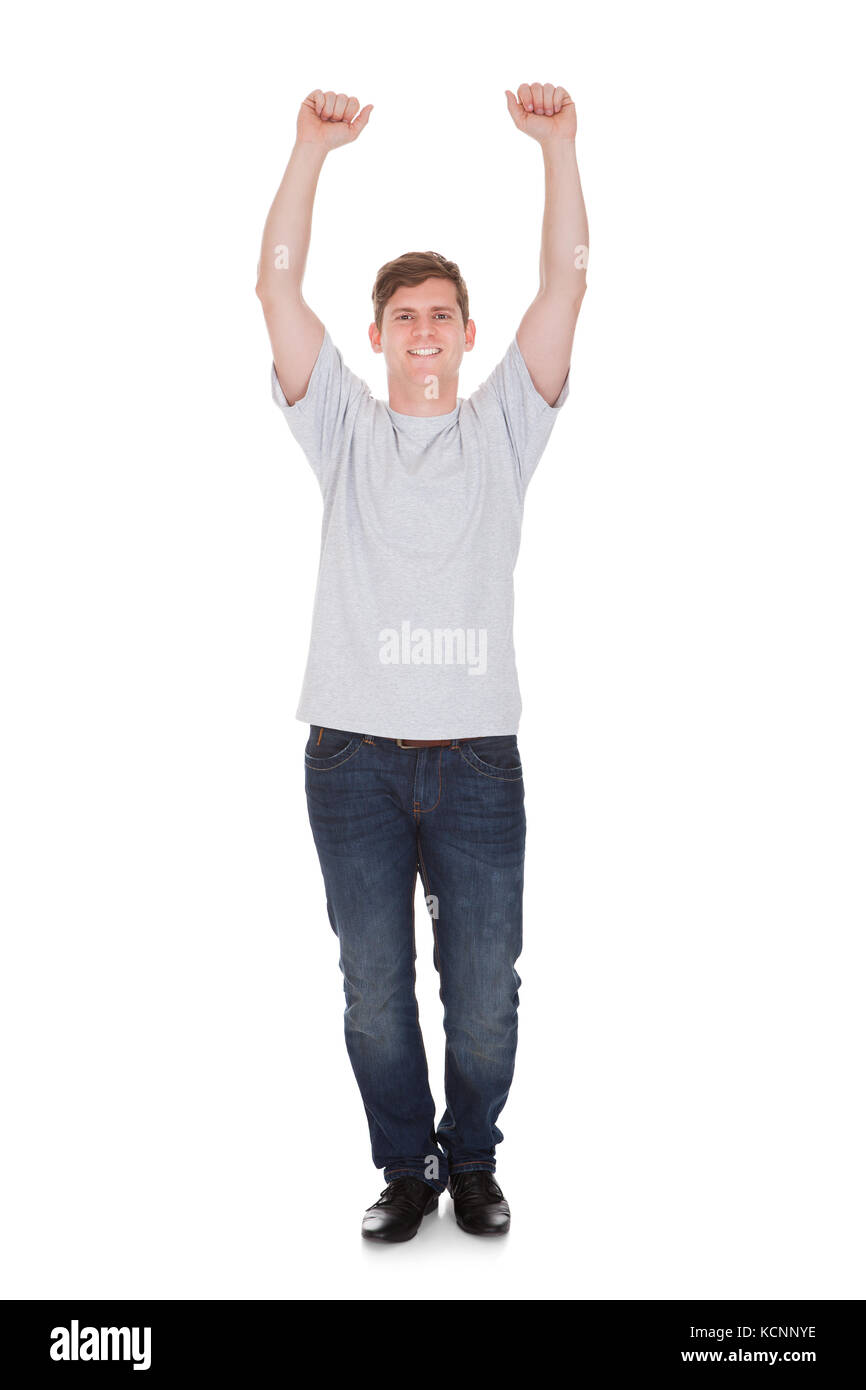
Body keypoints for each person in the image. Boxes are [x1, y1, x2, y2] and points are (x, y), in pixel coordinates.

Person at [256, 83, 588, 1241]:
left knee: (485, 992)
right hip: (350, 759)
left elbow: (566, 283)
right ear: (379, 336)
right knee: (372, 986)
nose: (425, 331)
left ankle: (473, 1156)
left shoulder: (502, 427)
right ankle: (406, 1167)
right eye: (405, 316)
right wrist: (309, 150)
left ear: (466, 334)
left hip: (476, 763)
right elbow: (275, 288)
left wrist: (557, 147)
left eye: (442, 314)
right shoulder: (343, 426)